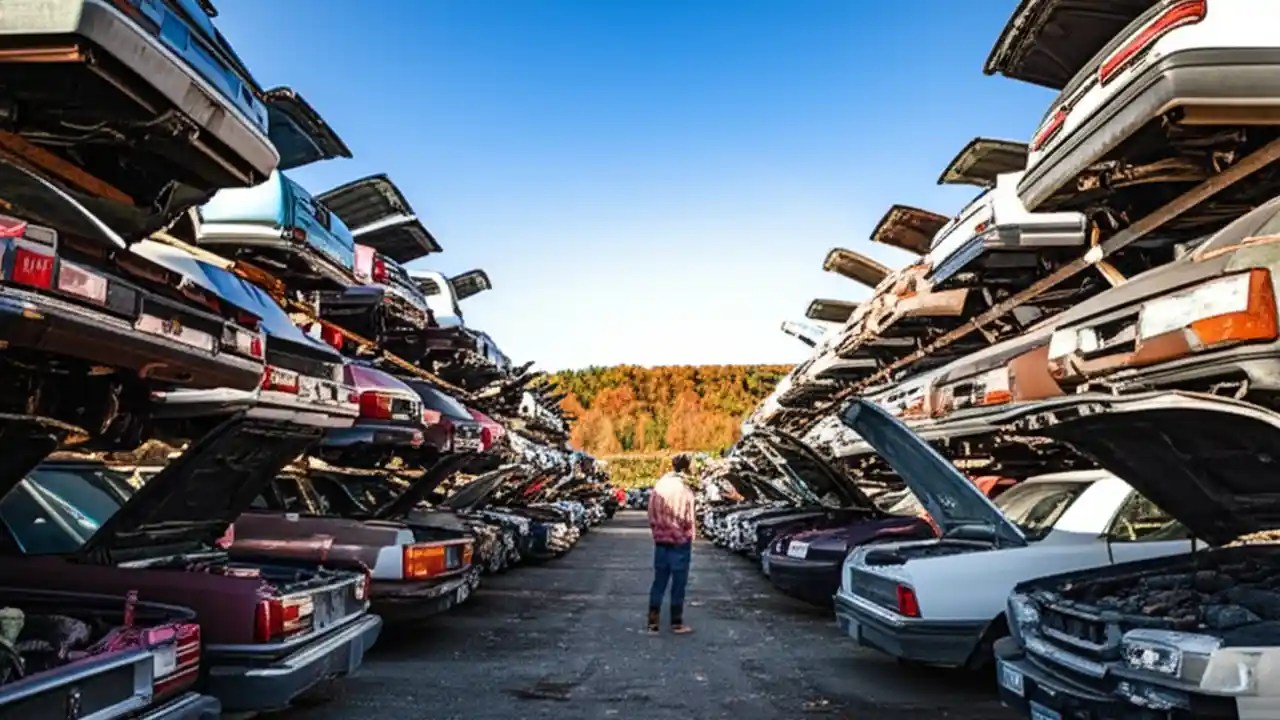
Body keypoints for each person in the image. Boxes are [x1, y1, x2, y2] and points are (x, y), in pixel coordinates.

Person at [646, 453, 696, 635]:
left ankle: (653, 621)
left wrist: (657, 531)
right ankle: (676, 622)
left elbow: (651, 513)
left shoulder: (659, 486)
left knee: (659, 580)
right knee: (678, 582)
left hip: (661, 540)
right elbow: (689, 519)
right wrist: (690, 536)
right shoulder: (685, 489)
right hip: (680, 541)